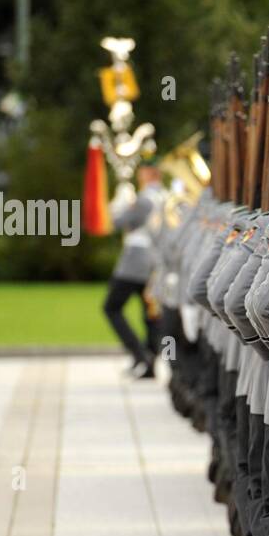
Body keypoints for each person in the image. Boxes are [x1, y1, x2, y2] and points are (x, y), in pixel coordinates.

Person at [104, 161, 166, 378]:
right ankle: (149, 362)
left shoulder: (145, 199)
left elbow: (118, 221)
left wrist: (118, 204)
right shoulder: (163, 196)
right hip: (154, 261)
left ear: (150, 173)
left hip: (137, 261)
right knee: (150, 314)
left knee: (111, 307)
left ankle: (141, 354)